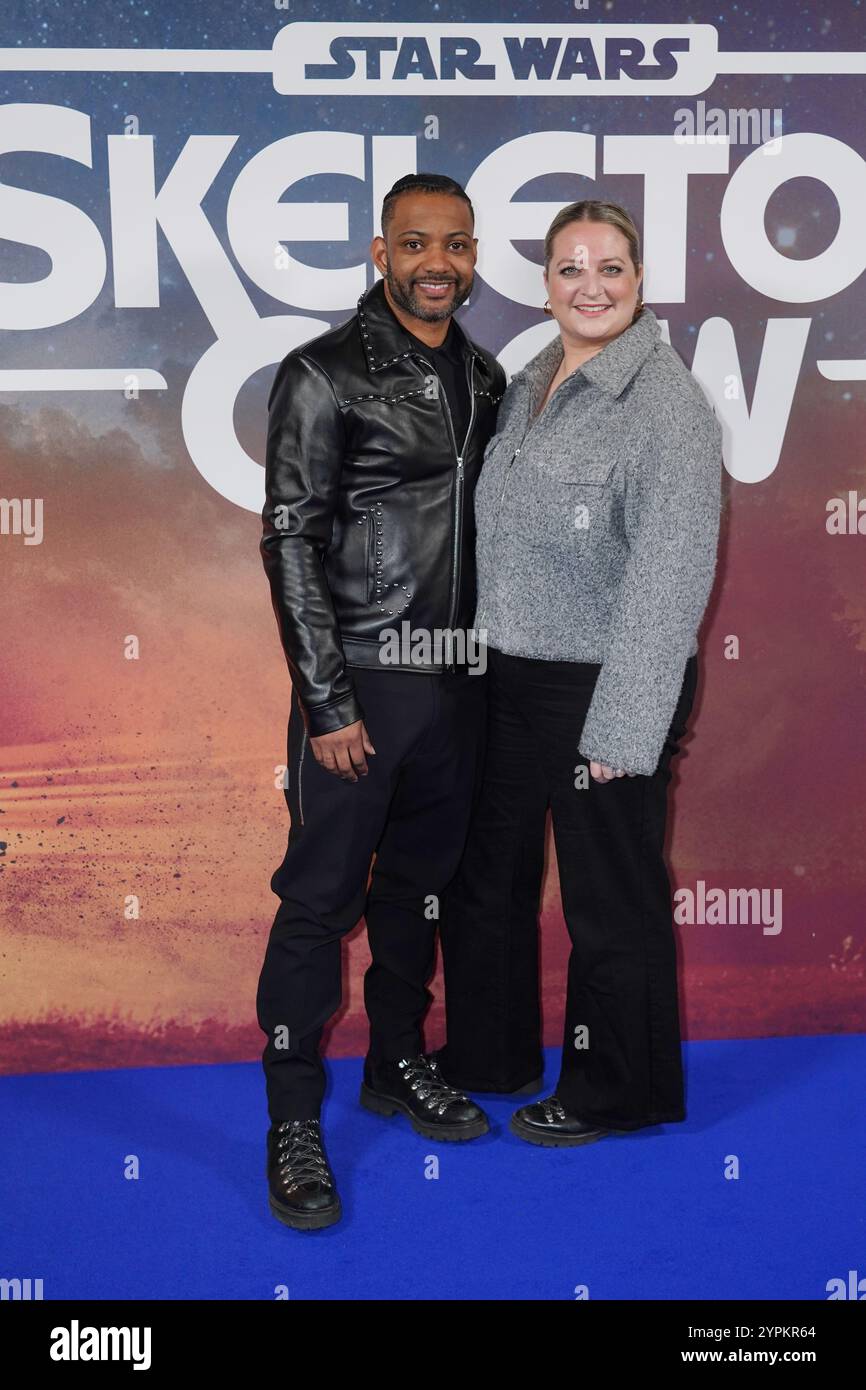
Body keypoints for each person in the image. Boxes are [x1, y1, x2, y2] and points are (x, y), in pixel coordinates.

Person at [434, 199, 723, 1146]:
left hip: (604, 682)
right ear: (546, 283)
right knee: (490, 881)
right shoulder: (531, 377)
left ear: (639, 282)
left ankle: (618, 1089)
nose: (589, 286)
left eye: (609, 268)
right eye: (570, 268)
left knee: (608, 899)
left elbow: (669, 577)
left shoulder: (669, 408)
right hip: (507, 678)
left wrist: (623, 728)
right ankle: (491, 1055)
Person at [256, 173, 507, 1228]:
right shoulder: (322, 373)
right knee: (320, 900)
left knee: (419, 892)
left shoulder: (489, 378)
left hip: (457, 685)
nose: (436, 263)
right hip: (358, 687)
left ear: (473, 252)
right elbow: (288, 539)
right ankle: (290, 1118)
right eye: (415, 244)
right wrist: (326, 701)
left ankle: (395, 1059)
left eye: (453, 244)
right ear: (379, 252)